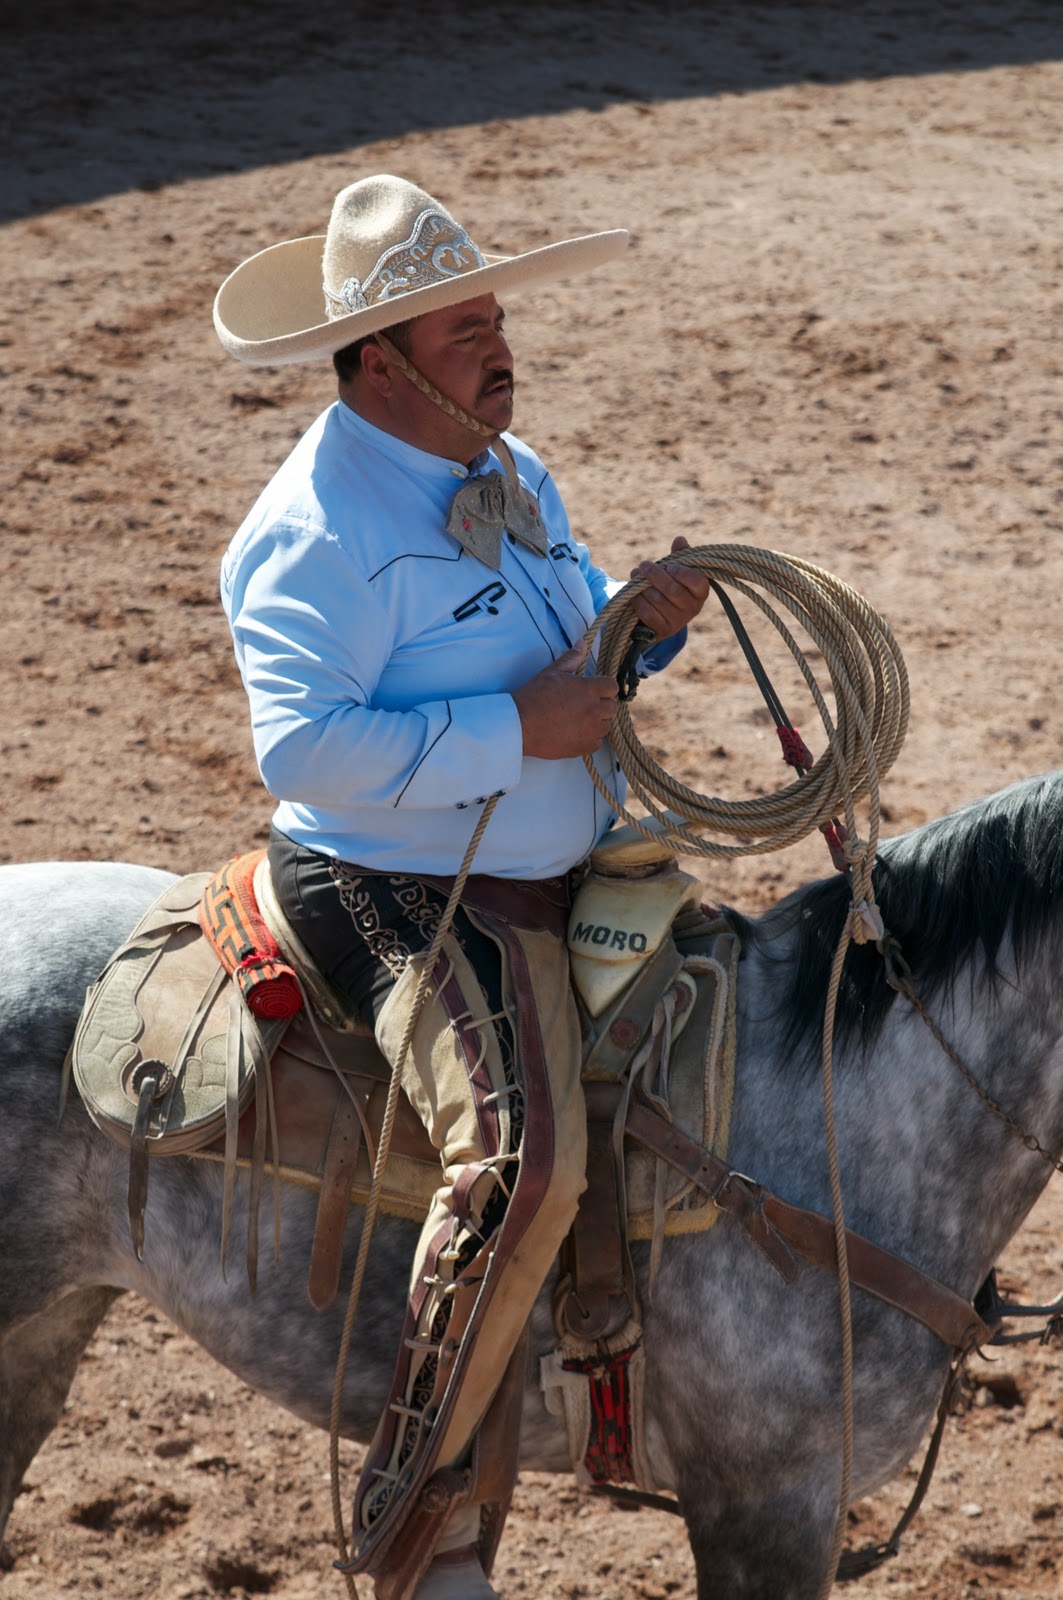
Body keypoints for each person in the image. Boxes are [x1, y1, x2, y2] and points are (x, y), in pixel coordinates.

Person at [213, 174, 709, 1600]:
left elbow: (575, 649)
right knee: (526, 1161)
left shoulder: (513, 465)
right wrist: (516, 733)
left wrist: (641, 632)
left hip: (559, 858)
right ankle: (416, 1507)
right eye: (465, 328)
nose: (501, 346)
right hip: (402, 886)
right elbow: (303, 745)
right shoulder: (313, 527)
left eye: (497, 316)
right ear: (380, 361)